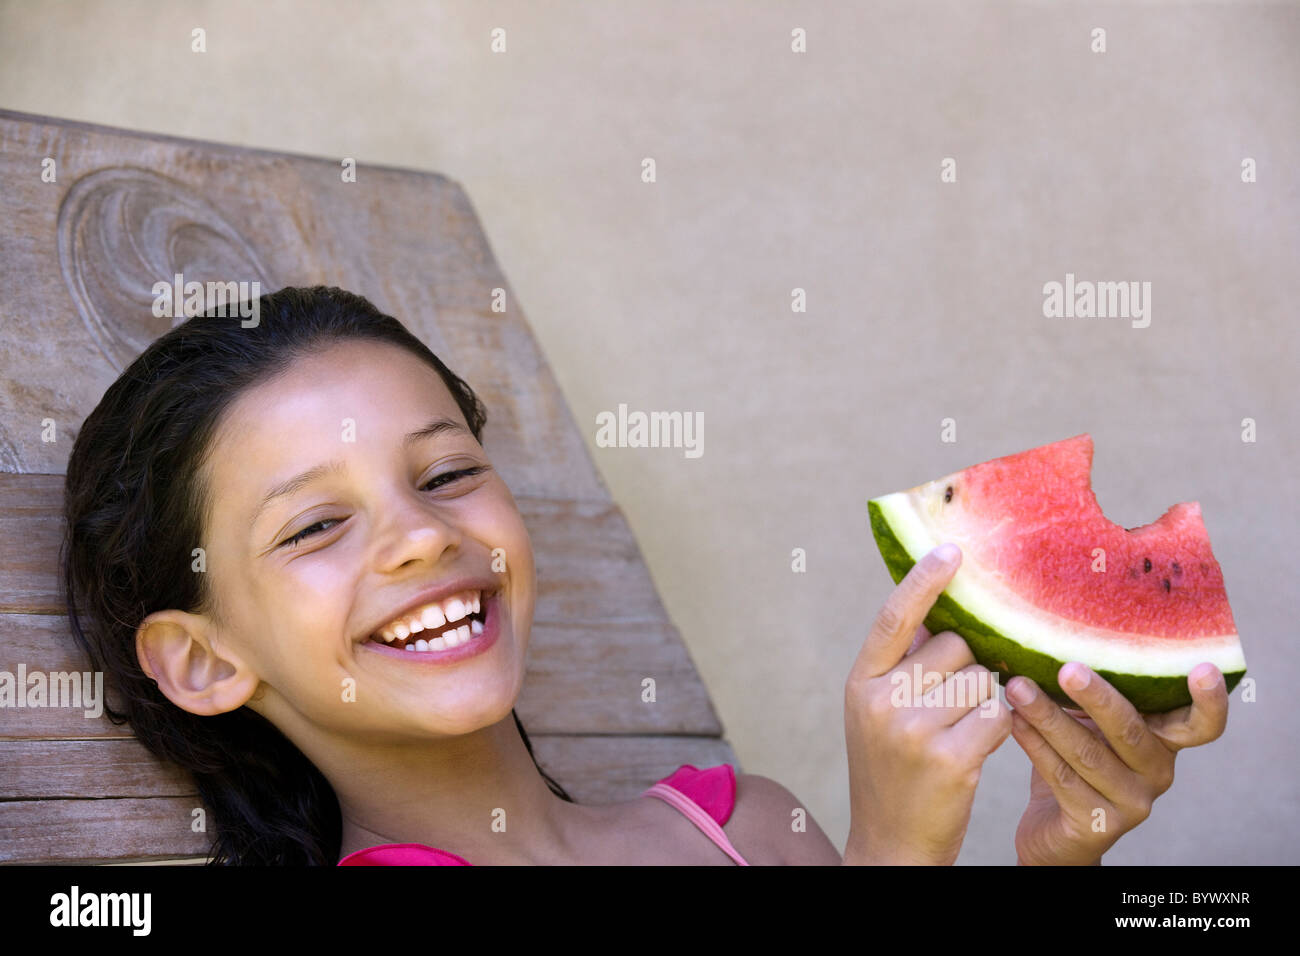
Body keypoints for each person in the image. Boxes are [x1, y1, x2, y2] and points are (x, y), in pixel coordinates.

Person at [61, 286, 1229, 865]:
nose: (420, 537)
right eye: (315, 526)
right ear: (207, 658)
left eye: (448, 471)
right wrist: (894, 848)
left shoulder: (752, 824)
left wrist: (1055, 852)